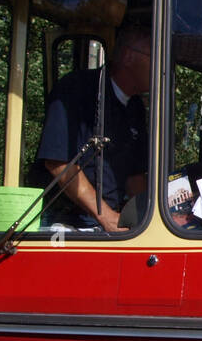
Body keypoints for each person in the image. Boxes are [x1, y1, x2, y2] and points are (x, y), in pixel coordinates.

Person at [37, 25, 151, 232]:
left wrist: (149, 216)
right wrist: (106, 217)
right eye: (154, 56)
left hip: (110, 222)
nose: (160, 67)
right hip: (69, 225)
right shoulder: (76, 89)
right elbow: (58, 162)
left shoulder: (135, 107)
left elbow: (134, 178)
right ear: (128, 56)